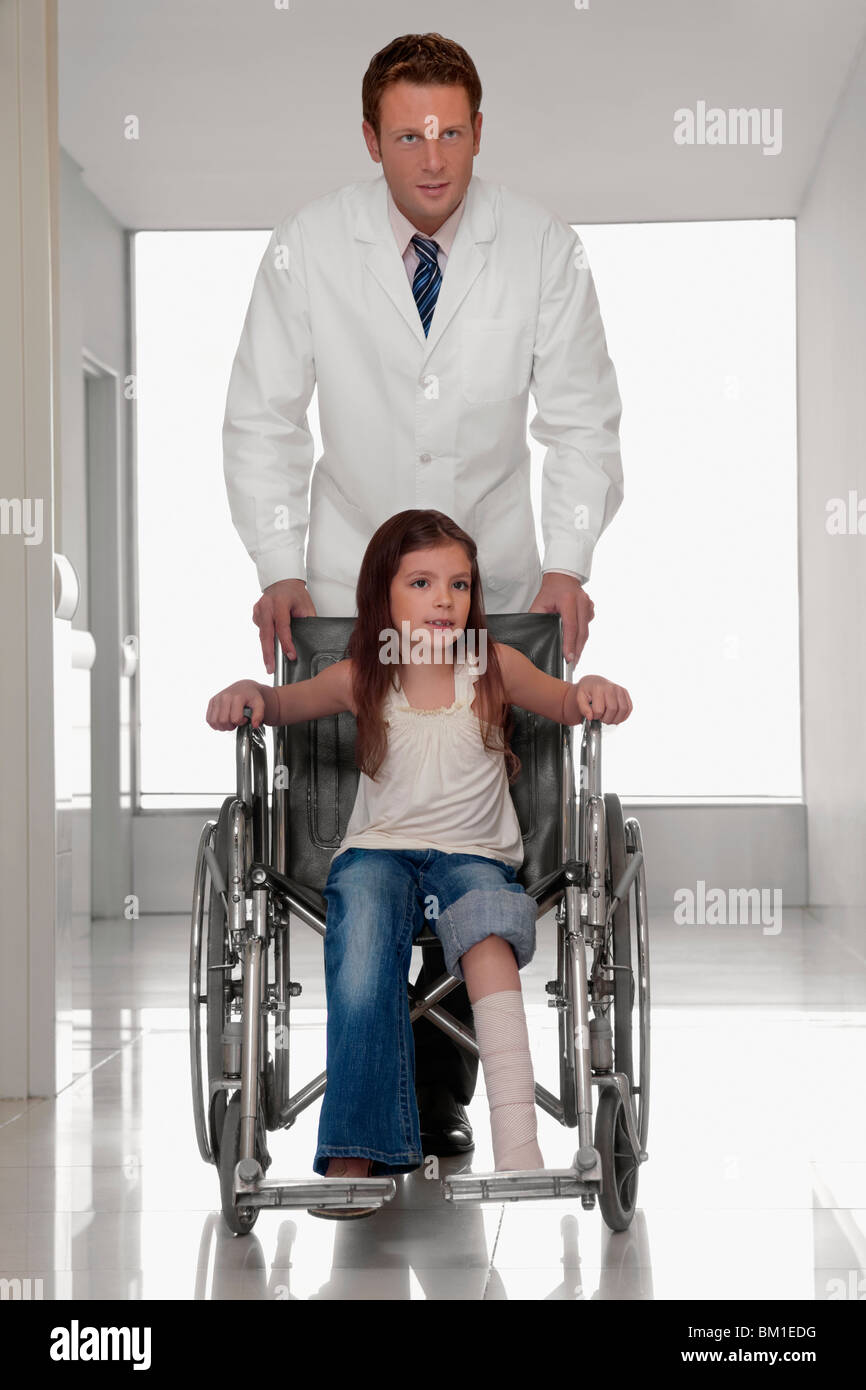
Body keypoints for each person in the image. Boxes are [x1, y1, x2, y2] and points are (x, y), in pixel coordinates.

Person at [222, 33, 624, 1156]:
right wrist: (275, 565)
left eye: (450, 131)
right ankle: (392, 1103)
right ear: (371, 139)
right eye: (408, 134)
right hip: (349, 577)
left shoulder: (540, 246)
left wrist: (567, 563)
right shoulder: (310, 245)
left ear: (477, 131)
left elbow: (582, 415)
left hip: (487, 582)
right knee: (366, 826)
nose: (432, 158)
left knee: (482, 833)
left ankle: (443, 1094)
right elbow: (261, 413)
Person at [206, 509, 632, 1218]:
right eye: (423, 583)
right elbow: (282, 704)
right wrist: (252, 696)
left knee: (486, 933)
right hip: (379, 856)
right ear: (384, 597)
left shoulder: (491, 665)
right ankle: (355, 1145)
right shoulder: (363, 677)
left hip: (475, 857)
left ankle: (517, 1145)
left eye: (459, 585)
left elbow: (563, 701)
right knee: (366, 931)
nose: (445, 599)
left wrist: (590, 692)